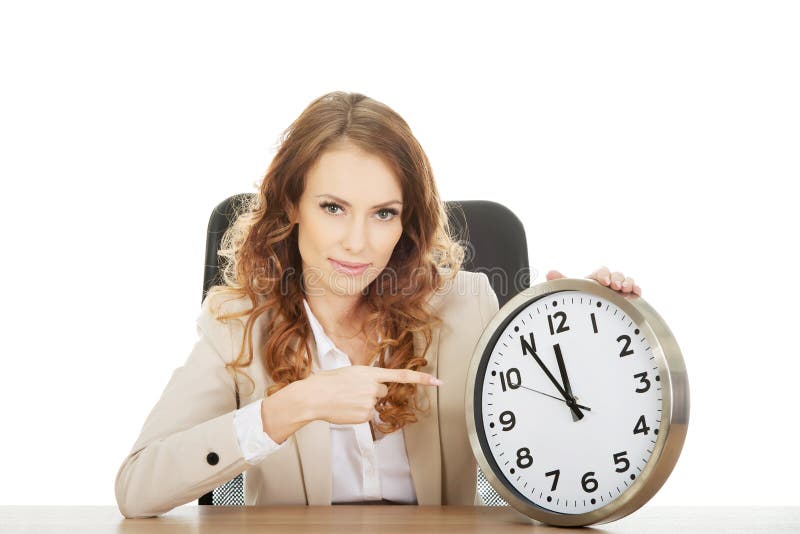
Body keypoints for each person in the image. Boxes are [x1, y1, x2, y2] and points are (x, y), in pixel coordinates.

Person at [114, 91, 642, 519]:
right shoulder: (236, 322)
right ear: (291, 204)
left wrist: (585, 326)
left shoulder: (469, 307)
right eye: (333, 208)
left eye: (384, 213)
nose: (357, 243)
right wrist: (290, 408)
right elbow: (137, 488)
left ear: (406, 221)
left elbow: (563, 449)